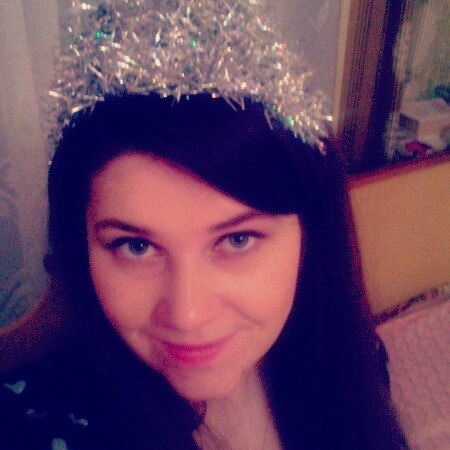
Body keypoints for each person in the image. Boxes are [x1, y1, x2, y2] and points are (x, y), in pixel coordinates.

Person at [1, 1, 405, 449]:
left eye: (237, 239)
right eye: (136, 246)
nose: (187, 316)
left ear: (310, 236)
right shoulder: (28, 426)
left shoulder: (355, 363)